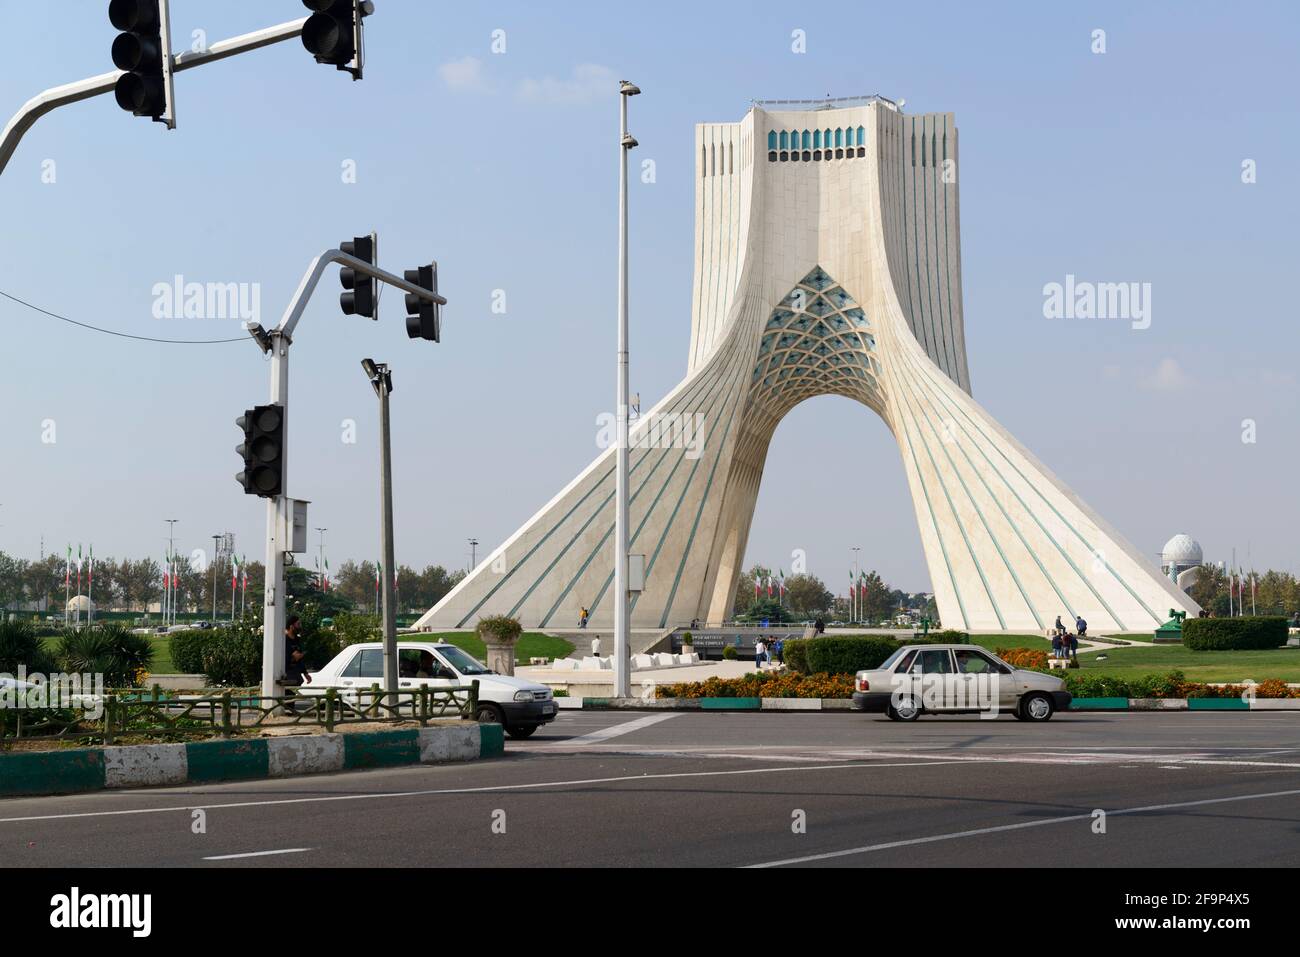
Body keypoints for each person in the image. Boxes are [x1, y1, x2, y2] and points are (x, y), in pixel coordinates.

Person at [284, 614, 309, 686]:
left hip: (297, 676)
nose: (300, 626)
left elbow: (300, 658)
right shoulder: (284, 640)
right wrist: (292, 657)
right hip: (287, 676)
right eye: (298, 624)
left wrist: (305, 673)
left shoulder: (297, 640)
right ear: (291, 626)